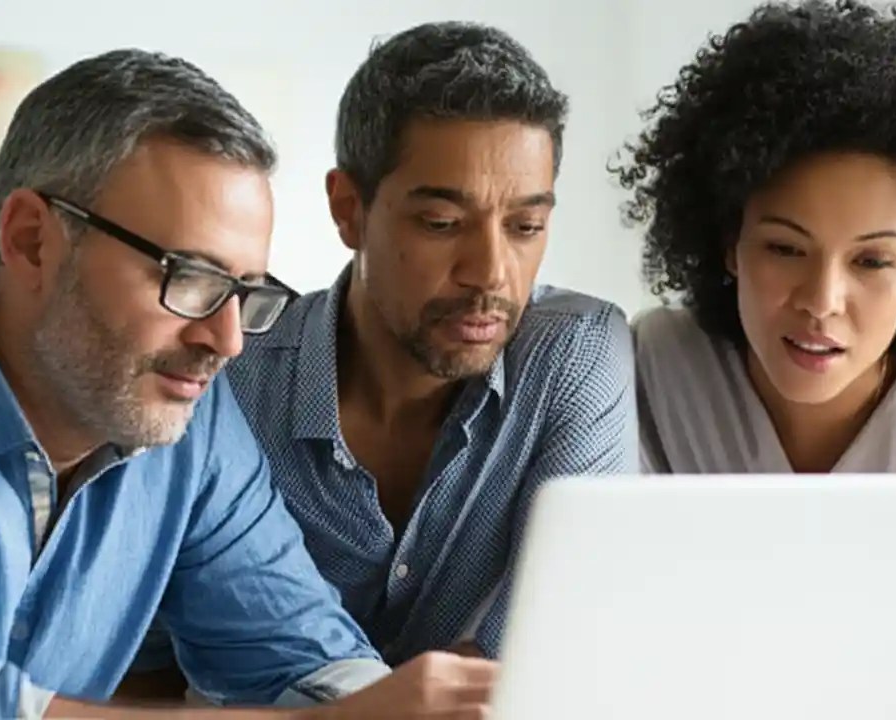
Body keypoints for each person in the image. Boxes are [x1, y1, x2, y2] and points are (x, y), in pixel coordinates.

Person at [0, 48, 499, 720]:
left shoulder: (189, 421)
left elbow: (300, 653)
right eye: (189, 278)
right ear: (31, 240)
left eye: (245, 292)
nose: (226, 341)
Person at [611, 1, 896, 717]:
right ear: (730, 245)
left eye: (872, 261)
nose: (822, 301)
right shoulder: (655, 368)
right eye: (785, 248)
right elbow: (627, 658)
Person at [228, 21, 638, 664]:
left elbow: (557, 651)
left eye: (526, 226)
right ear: (348, 209)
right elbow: (149, 668)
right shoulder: (231, 378)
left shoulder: (574, 355)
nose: (492, 273)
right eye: (443, 223)